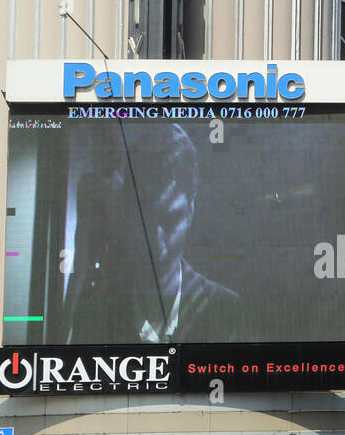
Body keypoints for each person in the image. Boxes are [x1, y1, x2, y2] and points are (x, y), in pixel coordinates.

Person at [64, 123, 241, 343]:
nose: (156, 244)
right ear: (128, 213)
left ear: (191, 211)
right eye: (145, 219)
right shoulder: (92, 318)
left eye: (169, 220)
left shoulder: (230, 313)